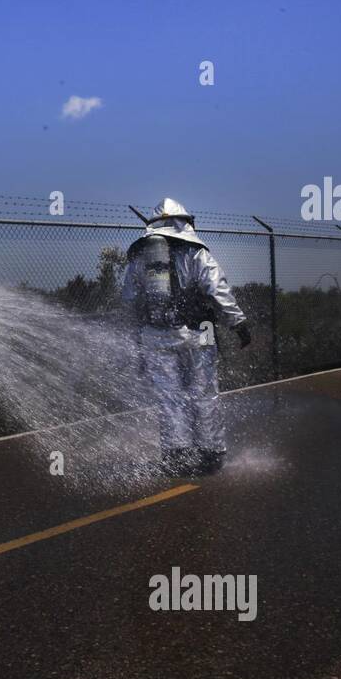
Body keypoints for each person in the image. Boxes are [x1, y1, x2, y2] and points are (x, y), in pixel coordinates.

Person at [122, 198, 251, 476]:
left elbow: (130, 298)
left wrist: (140, 334)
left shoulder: (141, 255)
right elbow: (218, 290)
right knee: (204, 392)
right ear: (184, 222)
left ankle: (175, 455)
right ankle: (211, 453)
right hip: (199, 333)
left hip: (155, 334)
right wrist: (238, 324)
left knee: (170, 396)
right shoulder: (197, 252)